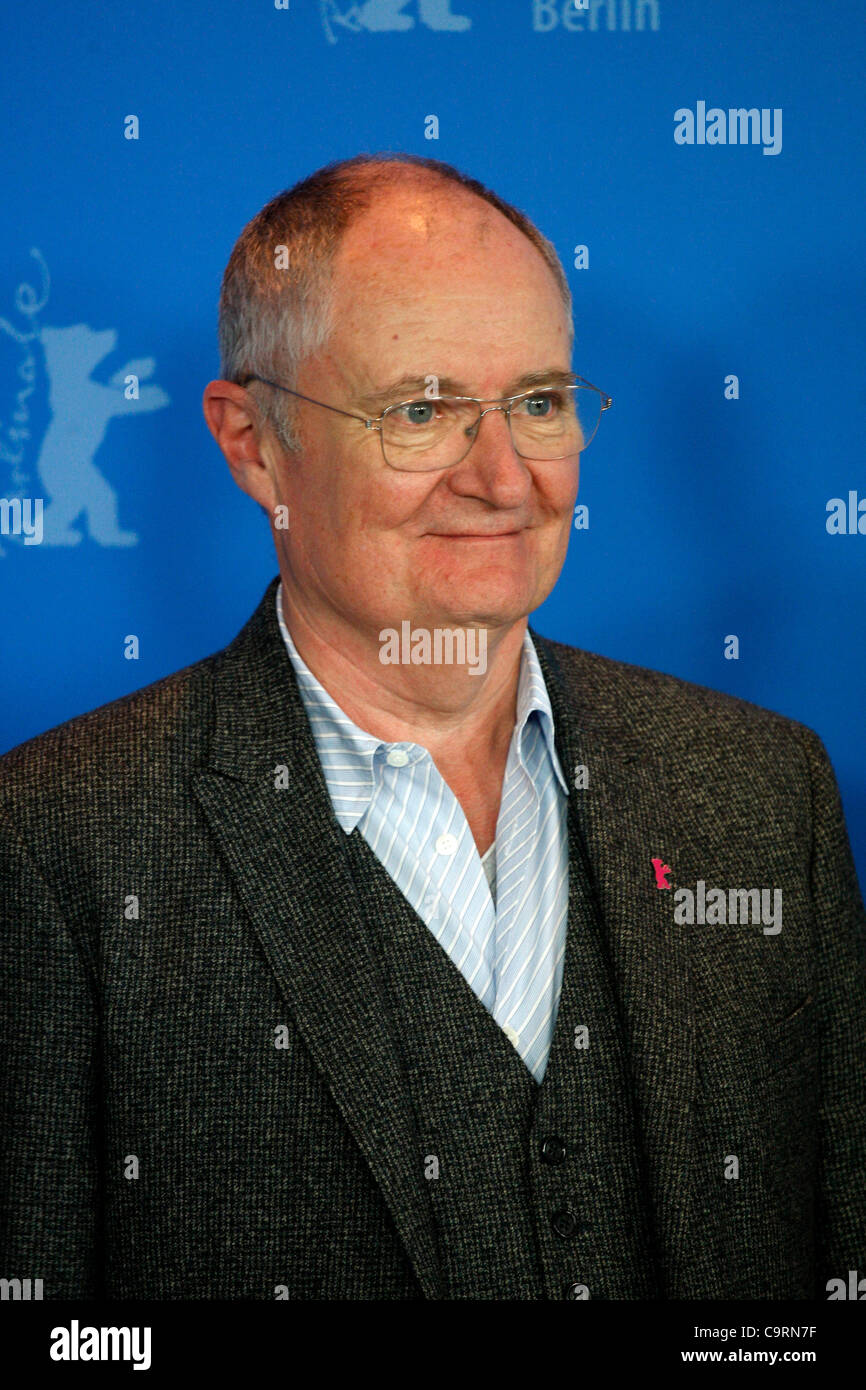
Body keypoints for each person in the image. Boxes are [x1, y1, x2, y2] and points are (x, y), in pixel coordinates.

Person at [1, 153, 864, 1301]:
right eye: (421, 410)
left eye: (539, 404)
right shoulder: (58, 840)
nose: (504, 479)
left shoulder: (762, 792)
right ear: (254, 442)